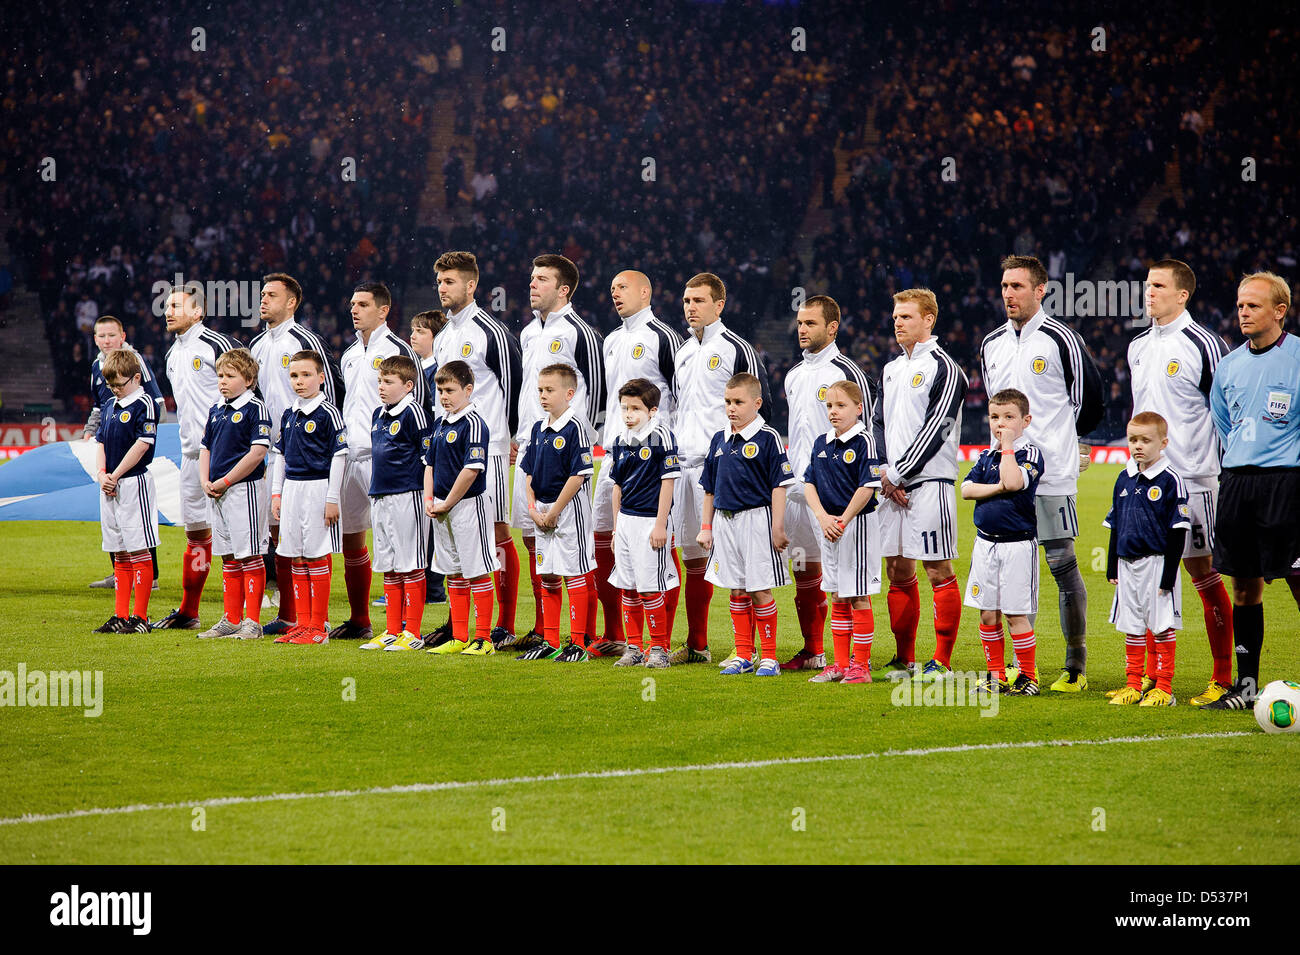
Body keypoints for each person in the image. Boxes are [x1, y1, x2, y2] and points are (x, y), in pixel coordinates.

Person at [979, 255, 1104, 691]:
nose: (1008, 294)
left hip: (1049, 477)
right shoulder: (991, 343)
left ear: (1041, 290)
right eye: (1004, 285)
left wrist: (1071, 447)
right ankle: (1020, 665)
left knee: (1061, 563)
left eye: (1017, 286)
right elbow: (996, 409)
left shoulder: (1061, 339)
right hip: (1007, 473)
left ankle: (1075, 665)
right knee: (1012, 569)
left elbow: (1090, 401)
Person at [1127, 259, 1233, 705]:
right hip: (1143, 479)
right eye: (1147, 285)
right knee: (1147, 572)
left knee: (1201, 572)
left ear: (1182, 294)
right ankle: (1150, 678)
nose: (1148, 292)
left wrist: (1228, 470)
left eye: (1158, 286)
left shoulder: (1205, 344)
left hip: (1192, 479)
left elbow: (1227, 410)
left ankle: (1224, 677)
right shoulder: (1136, 346)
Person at [1205, 271, 1300, 710]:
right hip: (1238, 483)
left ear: (1279, 311)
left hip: (1288, 484)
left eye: (1254, 305)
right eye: (1241, 305)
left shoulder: (1299, 357)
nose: (1243, 312)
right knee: (1245, 587)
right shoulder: (1229, 365)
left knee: (1299, 580)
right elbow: (1227, 424)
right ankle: (1244, 690)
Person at [673, 272, 773, 669]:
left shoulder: (735, 347)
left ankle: (747, 650)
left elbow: (761, 402)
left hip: (726, 467)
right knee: (693, 557)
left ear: (719, 305)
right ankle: (698, 644)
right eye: (686, 301)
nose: (690, 307)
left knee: (740, 563)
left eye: (698, 300)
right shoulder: (682, 352)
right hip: (685, 464)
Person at [510, 254, 605, 651]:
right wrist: (520, 434)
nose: (532, 284)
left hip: (567, 451)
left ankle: (580, 638)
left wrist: (583, 436)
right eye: (532, 277)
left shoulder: (580, 332)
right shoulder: (529, 332)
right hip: (533, 444)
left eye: (542, 279)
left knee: (573, 549)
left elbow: (596, 388)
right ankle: (544, 631)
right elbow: (524, 389)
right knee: (534, 536)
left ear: (563, 290)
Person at [875, 288, 968, 682]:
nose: (898, 322)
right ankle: (904, 658)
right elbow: (878, 423)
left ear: (929, 319)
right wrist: (883, 469)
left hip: (930, 484)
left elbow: (937, 429)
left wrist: (896, 474)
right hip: (891, 485)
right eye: (896, 316)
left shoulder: (946, 368)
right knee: (897, 569)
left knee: (937, 569)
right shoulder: (891, 368)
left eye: (907, 316)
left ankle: (942, 660)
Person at [782, 294, 877, 672]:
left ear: (832, 327)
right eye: (800, 324)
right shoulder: (792, 375)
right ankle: (815, 651)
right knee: (806, 571)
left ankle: (857, 661)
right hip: (799, 490)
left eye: (810, 324)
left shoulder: (848, 373)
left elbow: (868, 431)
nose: (802, 330)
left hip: (839, 496)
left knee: (850, 584)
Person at [433, 251, 523, 646]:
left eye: (450, 281)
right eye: (439, 281)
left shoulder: (492, 332)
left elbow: (514, 385)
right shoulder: (442, 336)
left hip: (488, 448)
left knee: (496, 531)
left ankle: (501, 625)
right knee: (454, 531)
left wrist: (512, 436)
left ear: (471, 286)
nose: (442, 288)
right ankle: (460, 626)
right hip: (448, 446)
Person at [593, 270, 682, 653]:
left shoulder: (662, 336)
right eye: (611, 288)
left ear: (645, 292)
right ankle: (618, 636)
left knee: (659, 542)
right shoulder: (611, 340)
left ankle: (660, 642)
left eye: (623, 287)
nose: (615, 294)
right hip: (615, 452)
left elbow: (678, 393)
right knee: (603, 533)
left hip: (653, 454)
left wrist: (666, 443)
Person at [332, 282, 426, 643]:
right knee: (352, 536)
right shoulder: (351, 354)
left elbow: (422, 404)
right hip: (350, 455)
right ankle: (361, 620)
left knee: (401, 541)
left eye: (364, 304)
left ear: (383, 310)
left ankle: (409, 626)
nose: (354, 310)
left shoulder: (399, 351)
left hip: (387, 459)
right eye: (353, 304)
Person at [249, 272, 341, 636]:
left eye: (272, 295)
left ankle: (320, 620)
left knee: (315, 540)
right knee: (282, 537)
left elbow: (330, 391)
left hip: (311, 458)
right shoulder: (257, 345)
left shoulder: (306, 341)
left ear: (291, 303)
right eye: (262, 295)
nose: (263, 300)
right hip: (275, 452)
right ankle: (292, 616)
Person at [152, 284, 239, 631]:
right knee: (196, 535)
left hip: (224, 455)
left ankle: (240, 615)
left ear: (198, 312)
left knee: (234, 539)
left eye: (176, 305)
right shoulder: (173, 354)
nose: (168, 311)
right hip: (191, 455)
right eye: (167, 305)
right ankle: (189, 612)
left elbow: (248, 389)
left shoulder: (217, 346)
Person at [697, 373, 794, 677]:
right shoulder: (718, 439)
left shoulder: (767, 437)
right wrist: (706, 526)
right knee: (737, 590)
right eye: (727, 402)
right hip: (725, 522)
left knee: (759, 590)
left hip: (756, 520)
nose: (731, 408)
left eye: (738, 402)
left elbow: (779, 486)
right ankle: (742, 654)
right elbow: (709, 488)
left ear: (757, 403)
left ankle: (769, 657)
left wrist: (778, 527)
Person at [961, 388, 1046, 696]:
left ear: (1026, 420)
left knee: (1015, 613)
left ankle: (1027, 677)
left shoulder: (1029, 453)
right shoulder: (986, 455)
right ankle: (995, 676)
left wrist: (1007, 446)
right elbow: (967, 489)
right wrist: (997, 487)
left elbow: (1013, 482)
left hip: (1018, 545)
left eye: (1009, 417)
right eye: (995, 417)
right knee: (987, 612)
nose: (1001, 424)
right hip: (985, 544)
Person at [1103, 411, 1189, 707]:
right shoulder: (1123, 478)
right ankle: (1132, 684)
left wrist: (1169, 575)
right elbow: (1115, 525)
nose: (1138, 445)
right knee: (1132, 625)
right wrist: (1112, 562)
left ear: (1163, 442)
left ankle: (1164, 688)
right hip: (1127, 564)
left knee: (1162, 625)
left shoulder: (1170, 480)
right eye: (1133, 440)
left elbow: (1178, 532)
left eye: (1145, 440)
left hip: (1157, 563)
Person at [802, 380, 882, 685]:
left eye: (841, 406)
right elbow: (808, 482)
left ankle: (860, 666)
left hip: (856, 526)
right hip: (829, 527)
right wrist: (823, 518)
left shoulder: (864, 441)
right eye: (830, 406)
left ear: (858, 409)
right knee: (837, 595)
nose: (833, 412)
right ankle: (838, 664)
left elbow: (867, 486)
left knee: (858, 594)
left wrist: (843, 520)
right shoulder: (821, 442)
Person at [518, 364, 597, 662]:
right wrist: (533, 508)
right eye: (540, 390)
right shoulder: (538, 428)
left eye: (550, 390)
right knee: (548, 574)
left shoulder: (575, 427)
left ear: (569, 394)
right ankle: (550, 640)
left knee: (573, 573)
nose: (543, 396)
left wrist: (555, 510)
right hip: (541, 510)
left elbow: (578, 475)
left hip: (568, 511)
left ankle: (578, 643)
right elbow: (527, 471)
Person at [268, 350, 347, 645]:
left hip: (316, 488)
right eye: (294, 376)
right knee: (296, 556)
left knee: (315, 554)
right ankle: (303, 623)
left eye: (306, 375)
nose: (299, 382)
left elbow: (339, 456)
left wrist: (332, 498)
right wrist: (277, 493)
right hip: (292, 490)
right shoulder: (290, 413)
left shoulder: (328, 413)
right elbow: (280, 455)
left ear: (321, 378)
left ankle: (318, 627)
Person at [423, 360, 500, 655]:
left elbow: (471, 469)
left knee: (477, 571)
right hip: (441, 508)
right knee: (453, 573)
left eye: (450, 390)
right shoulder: (440, 422)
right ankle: (458, 636)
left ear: (468, 389)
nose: (444, 396)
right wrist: (430, 500)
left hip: (468, 507)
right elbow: (428, 464)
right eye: (440, 390)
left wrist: (447, 503)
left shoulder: (475, 423)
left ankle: (483, 639)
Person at [357, 356, 433, 651]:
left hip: (407, 494)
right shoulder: (379, 414)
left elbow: (427, 458)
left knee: (410, 563)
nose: (382, 387)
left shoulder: (414, 412)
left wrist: (427, 494)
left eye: (389, 382)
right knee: (388, 564)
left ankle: (412, 633)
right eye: (380, 381)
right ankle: (391, 629)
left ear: (409, 385)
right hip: (381, 495)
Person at [196, 348, 273, 640]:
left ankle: (252, 622)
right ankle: (231, 618)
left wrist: (225, 480)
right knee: (228, 557)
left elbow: (258, 452)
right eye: (220, 375)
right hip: (217, 492)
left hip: (244, 491)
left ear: (249, 378)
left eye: (230, 375)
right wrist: (206, 480)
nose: (223, 381)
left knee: (250, 555)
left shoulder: (255, 408)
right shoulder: (217, 409)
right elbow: (206, 447)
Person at [85, 314, 164, 591]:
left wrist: (145, 430)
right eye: (101, 336)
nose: (106, 340)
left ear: (123, 337)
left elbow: (155, 400)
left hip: (133, 446)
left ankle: (148, 575)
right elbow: (99, 404)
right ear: (95, 339)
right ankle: (120, 572)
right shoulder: (97, 365)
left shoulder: (134, 362)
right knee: (113, 521)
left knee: (137, 519)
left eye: (111, 335)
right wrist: (91, 429)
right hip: (110, 438)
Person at [607, 378, 680, 669]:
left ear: (652, 410)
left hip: (650, 521)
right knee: (628, 587)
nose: (628, 414)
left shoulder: (662, 436)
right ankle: (634, 648)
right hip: (625, 522)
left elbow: (668, 481)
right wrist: (615, 529)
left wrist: (661, 524)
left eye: (635, 408)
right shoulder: (619, 440)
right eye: (624, 407)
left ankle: (659, 649)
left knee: (650, 587)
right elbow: (617, 487)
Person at [91, 348, 159, 634]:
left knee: (139, 549)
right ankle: (120, 614)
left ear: (136, 377)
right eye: (111, 385)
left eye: (120, 384)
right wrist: (102, 474)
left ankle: (140, 618)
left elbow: (143, 443)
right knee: (119, 552)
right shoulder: (110, 405)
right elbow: (101, 442)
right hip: (111, 486)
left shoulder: (144, 402)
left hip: (133, 483)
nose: (115, 390)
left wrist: (115, 475)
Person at [409, 308, 449, 605]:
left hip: (434, 451)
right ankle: (425, 584)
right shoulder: (421, 370)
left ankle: (432, 587)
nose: (413, 336)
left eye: (421, 331)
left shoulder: (436, 373)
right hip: (423, 452)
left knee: (433, 518)